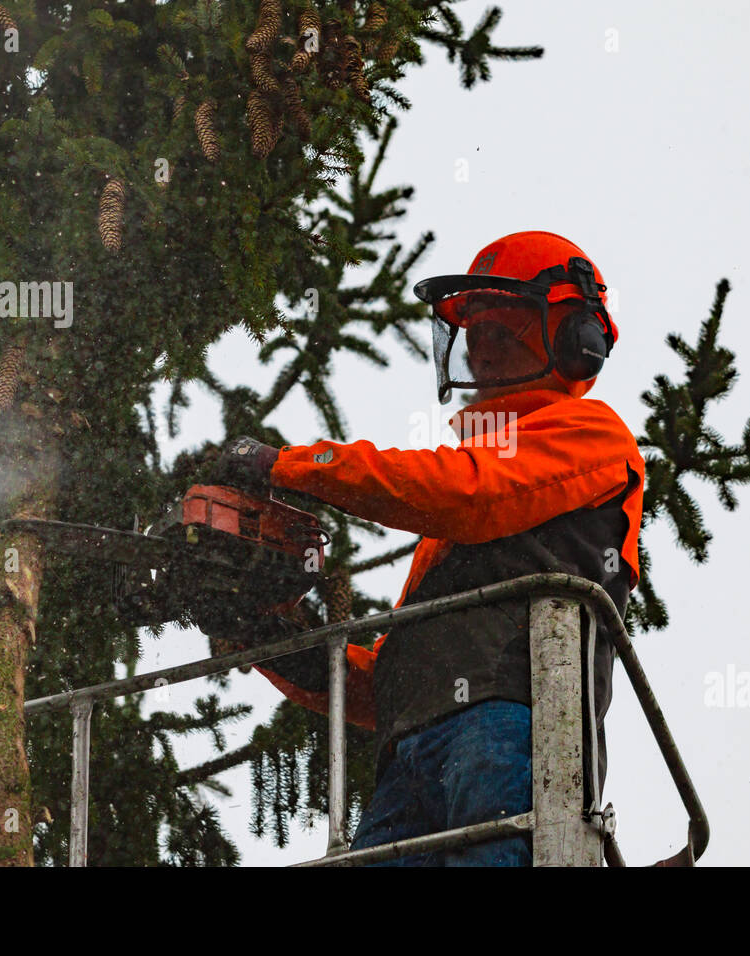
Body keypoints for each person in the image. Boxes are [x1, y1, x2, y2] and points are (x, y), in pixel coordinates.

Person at [208, 230, 647, 865]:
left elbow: (469, 494)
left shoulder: (590, 433)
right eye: (474, 335)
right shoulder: (451, 522)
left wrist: (292, 466)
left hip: (512, 728)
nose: (483, 351)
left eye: (504, 331)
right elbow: (391, 681)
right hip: (408, 759)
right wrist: (272, 638)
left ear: (576, 338)